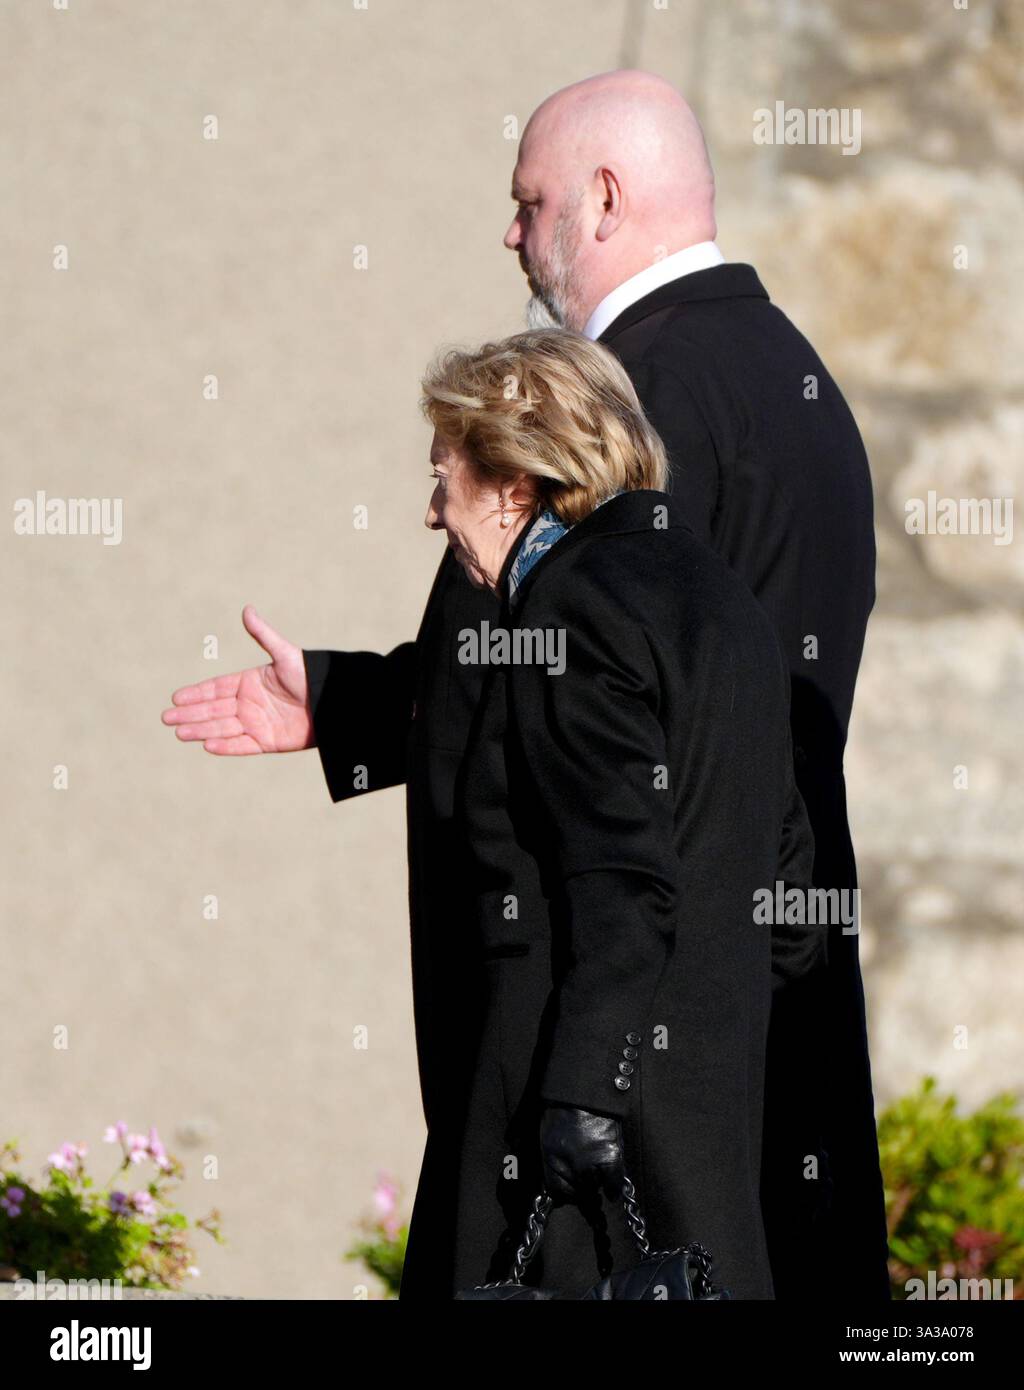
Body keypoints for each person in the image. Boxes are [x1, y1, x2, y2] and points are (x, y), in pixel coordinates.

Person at [162, 69, 888, 1300]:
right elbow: (656, 703)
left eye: (527, 200)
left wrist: (572, 1096)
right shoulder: (788, 376)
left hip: (602, 1055)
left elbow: (551, 691)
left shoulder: (621, 402)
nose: (509, 232)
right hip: (748, 1013)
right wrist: (343, 706)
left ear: (602, 200)